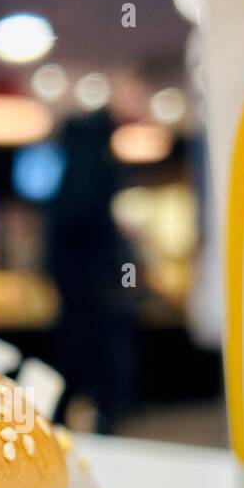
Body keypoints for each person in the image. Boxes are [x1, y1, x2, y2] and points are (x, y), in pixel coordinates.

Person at [44, 70, 148, 433]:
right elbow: (77, 209)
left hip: (80, 273)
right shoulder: (91, 138)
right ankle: (82, 421)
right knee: (89, 351)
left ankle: (67, 420)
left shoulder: (94, 139)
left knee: (80, 351)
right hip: (87, 275)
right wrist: (111, 231)